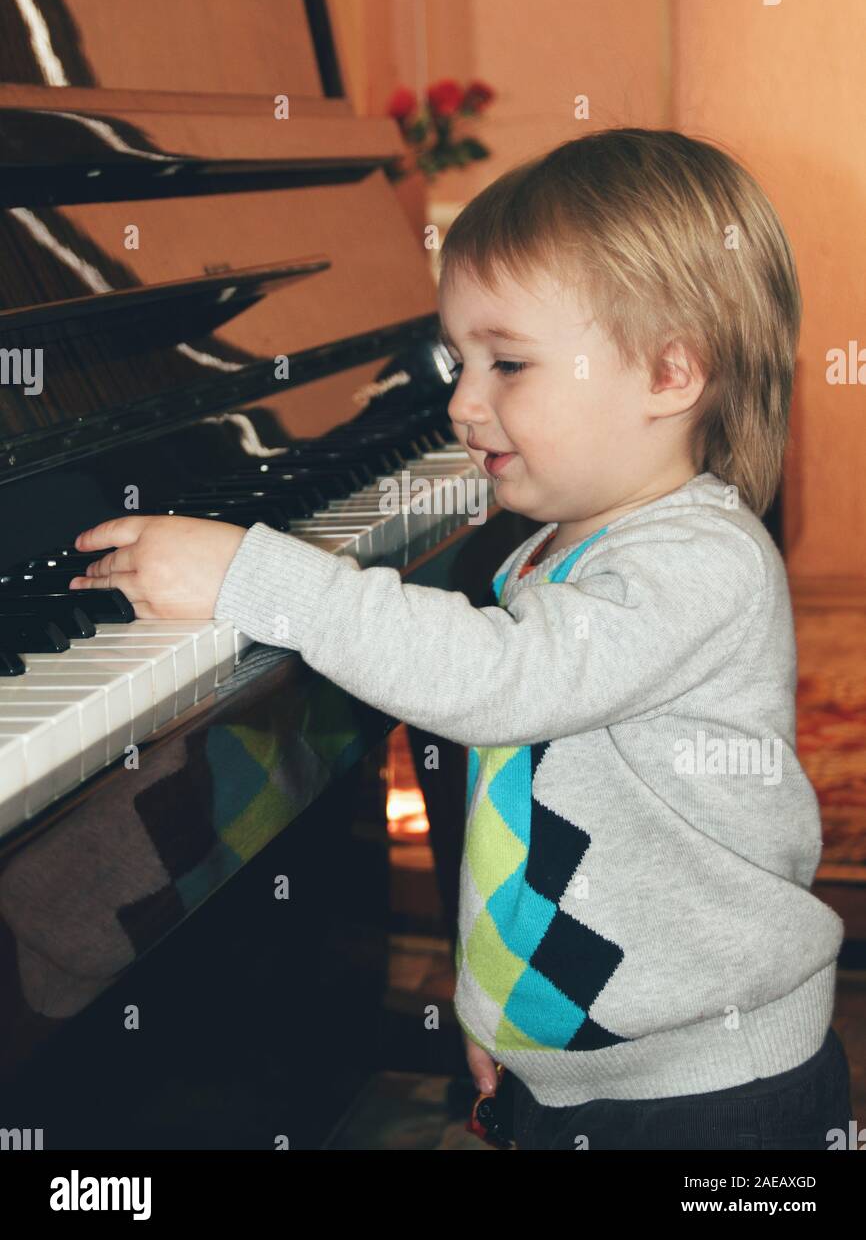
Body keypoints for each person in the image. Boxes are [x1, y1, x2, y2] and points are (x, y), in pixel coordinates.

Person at [70, 128, 853, 1151]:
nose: (460, 402)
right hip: (588, 1066)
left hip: (714, 1098)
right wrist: (508, 1020)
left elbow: (495, 680)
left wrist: (253, 574)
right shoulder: (558, 549)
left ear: (670, 374)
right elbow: (534, 822)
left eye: (507, 363)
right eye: (458, 358)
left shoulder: (699, 564)